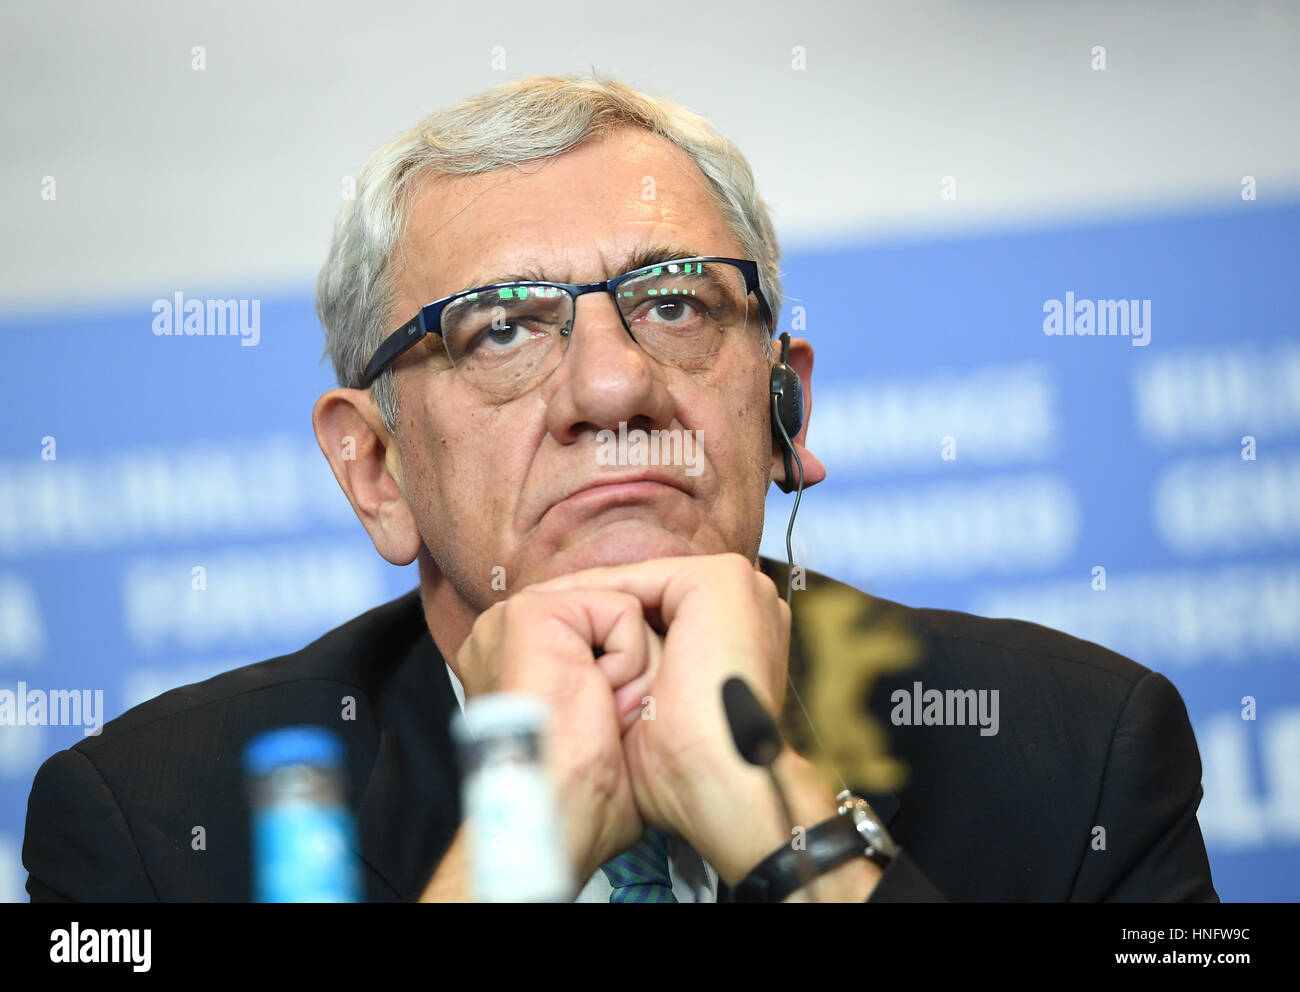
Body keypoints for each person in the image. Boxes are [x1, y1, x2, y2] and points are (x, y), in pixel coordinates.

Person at [23, 75, 1218, 903]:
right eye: (498, 329)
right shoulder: (150, 823)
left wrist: (785, 832)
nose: (609, 385)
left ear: (781, 403)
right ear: (376, 468)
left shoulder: (1075, 750)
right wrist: (509, 853)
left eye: (676, 301)